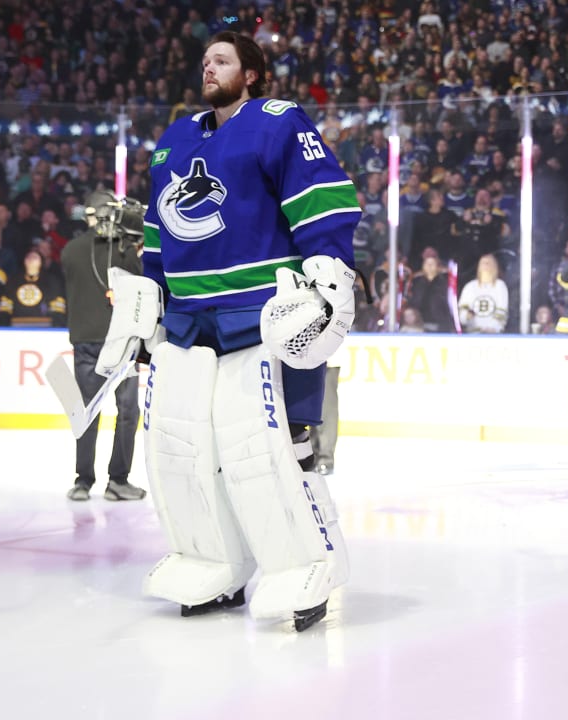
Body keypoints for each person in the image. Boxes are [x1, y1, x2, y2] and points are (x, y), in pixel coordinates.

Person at [94, 31, 360, 631]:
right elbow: (161, 234)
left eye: (222, 60)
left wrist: (328, 271)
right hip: (190, 319)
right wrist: (149, 297)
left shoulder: (278, 122)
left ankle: (305, 568)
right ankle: (213, 562)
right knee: (186, 449)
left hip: (266, 313)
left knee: (272, 452)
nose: (208, 68)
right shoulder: (175, 138)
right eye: (205, 60)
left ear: (253, 73)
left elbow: (322, 204)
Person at [59, 192, 148, 501]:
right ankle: (118, 481)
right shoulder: (124, 252)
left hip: (85, 341)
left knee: (86, 412)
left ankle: (82, 482)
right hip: (121, 342)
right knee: (127, 412)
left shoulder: (69, 250)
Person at [0, 248, 66, 327]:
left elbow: (58, 309)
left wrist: (55, 328)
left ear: (41, 261)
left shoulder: (52, 280)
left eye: (34, 257)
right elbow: (5, 306)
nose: (30, 259)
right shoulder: (13, 280)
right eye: (28, 257)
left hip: (44, 326)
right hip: (17, 325)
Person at [406, 249, 457, 333]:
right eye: (427, 263)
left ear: (437, 266)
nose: (429, 266)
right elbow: (413, 301)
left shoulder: (445, 282)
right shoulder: (417, 282)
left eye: (432, 264)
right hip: (420, 322)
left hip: (441, 323)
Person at [458, 253, 509, 333]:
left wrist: (494, 328)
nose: (485, 265)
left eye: (488, 263)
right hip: (472, 334)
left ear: (494, 266)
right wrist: (466, 316)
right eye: (483, 263)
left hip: (493, 334)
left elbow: (502, 311)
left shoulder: (500, 286)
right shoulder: (470, 286)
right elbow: (462, 310)